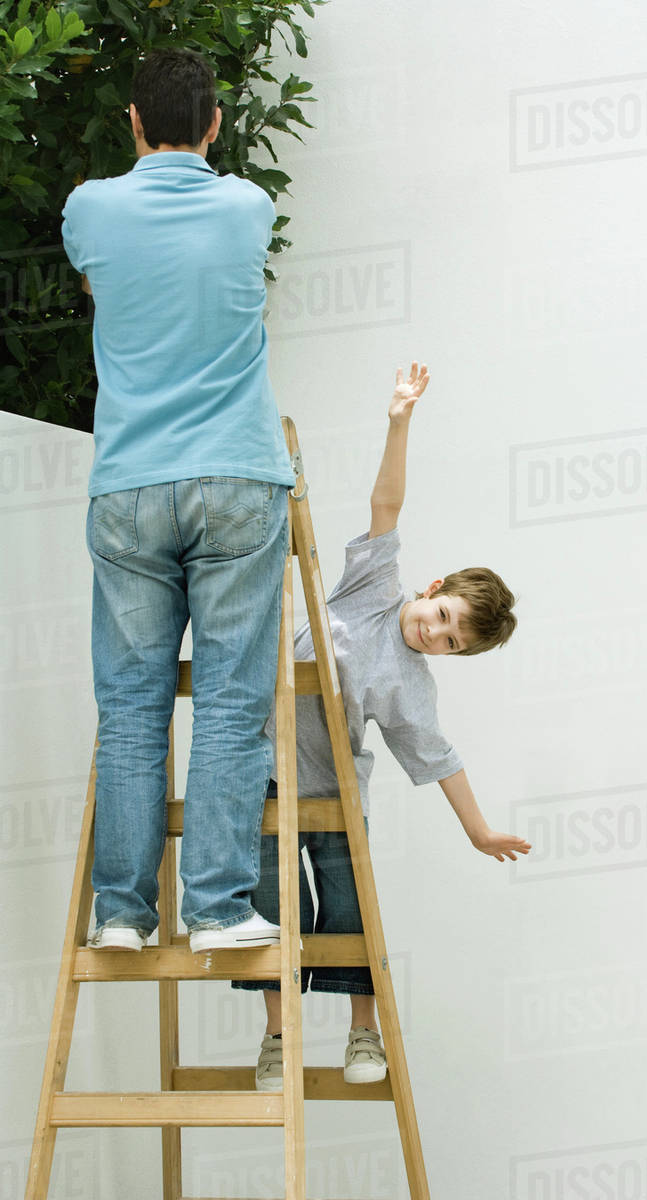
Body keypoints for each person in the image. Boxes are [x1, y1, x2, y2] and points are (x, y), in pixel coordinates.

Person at [232, 361, 532, 1088]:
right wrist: (399, 420)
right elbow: (385, 502)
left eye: (451, 642)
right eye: (441, 618)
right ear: (430, 590)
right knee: (275, 909)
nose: (435, 635)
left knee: (347, 912)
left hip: (334, 793)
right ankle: (279, 1039)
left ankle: (362, 1035)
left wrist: (478, 829)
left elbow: (437, 757)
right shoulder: (372, 587)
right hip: (268, 778)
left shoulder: (410, 684)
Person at [60, 48, 297, 954]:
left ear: (130, 121)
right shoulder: (247, 206)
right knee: (233, 705)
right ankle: (217, 909)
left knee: (129, 706)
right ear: (214, 124)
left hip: (127, 485)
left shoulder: (90, 207)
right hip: (237, 477)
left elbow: (100, 285)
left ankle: (121, 912)